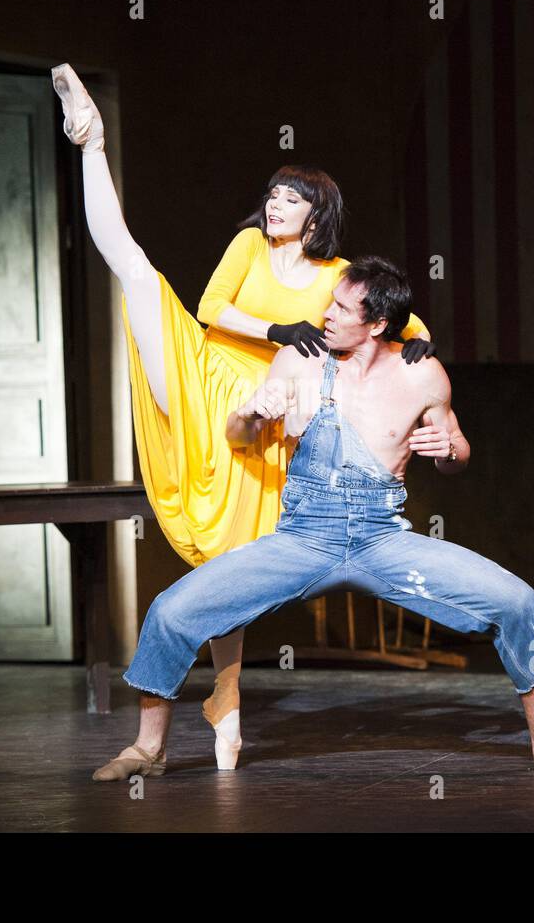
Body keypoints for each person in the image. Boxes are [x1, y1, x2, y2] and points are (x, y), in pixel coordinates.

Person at [51, 62, 437, 770]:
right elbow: (207, 310)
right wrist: (280, 329)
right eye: (272, 193)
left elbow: (400, 323)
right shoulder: (247, 246)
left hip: (268, 420)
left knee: (228, 569)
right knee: (139, 275)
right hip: (210, 379)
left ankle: (225, 703)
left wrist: (418, 342)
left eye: (289, 196)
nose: (275, 202)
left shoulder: (338, 275)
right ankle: (90, 142)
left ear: (317, 213)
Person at [91, 256, 534, 780]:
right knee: (171, 610)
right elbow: (237, 437)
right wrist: (251, 414)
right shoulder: (299, 359)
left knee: (516, 600)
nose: (327, 313)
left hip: (382, 540)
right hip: (302, 539)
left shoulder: (421, 374)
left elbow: (458, 452)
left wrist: (449, 449)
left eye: (342, 307)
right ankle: (148, 750)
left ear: (378, 323)